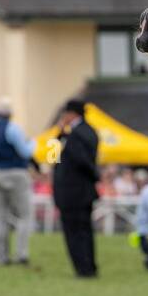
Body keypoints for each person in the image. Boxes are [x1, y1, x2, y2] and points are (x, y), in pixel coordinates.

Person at [0, 97, 36, 266]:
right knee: (24, 216)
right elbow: (25, 152)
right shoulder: (13, 129)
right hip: (15, 173)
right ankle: (21, 254)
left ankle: (1, 256)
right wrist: (32, 143)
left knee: (0, 217)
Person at [52, 99, 100, 277]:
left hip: (73, 191)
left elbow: (82, 162)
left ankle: (83, 268)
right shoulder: (81, 133)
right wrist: (60, 134)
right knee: (84, 230)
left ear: (72, 114)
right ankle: (88, 266)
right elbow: (53, 157)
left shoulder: (77, 135)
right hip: (79, 191)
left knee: (75, 232)